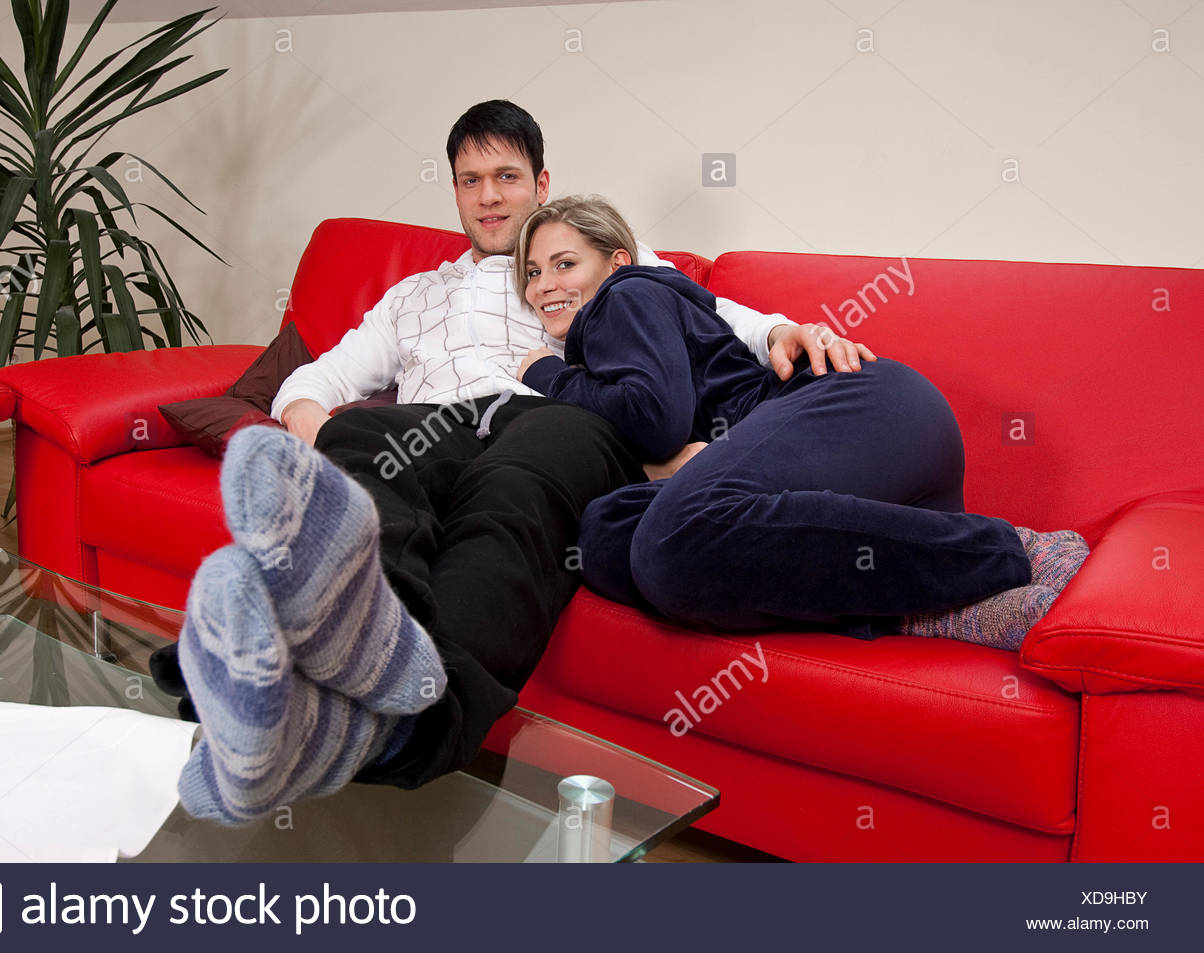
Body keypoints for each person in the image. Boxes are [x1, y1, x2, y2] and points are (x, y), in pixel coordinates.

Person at [155, 101, 879, 825]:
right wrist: (318, 439)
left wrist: (789, 327)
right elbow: (313, 382)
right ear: (455, 191)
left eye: (507, 175)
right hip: (431, 427)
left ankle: (412, 725)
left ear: (541, 180)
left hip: (557, 422)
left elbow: (714, 310)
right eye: (471, 180)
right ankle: (342, 661)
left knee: (513, 495)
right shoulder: (413, 296)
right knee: (363, 440)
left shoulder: (577, 255)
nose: (491, 196)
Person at [515, 195, 1089, 645]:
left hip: (857, 404)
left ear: (616, 261)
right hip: (861, 486)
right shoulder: (626, 335)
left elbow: (658, 418)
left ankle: (1011, 549)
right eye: (533, 274)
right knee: (606, 535)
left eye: (565, 263)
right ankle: (916, 607)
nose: (545, 286)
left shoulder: (625, 295)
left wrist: (548, 375)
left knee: (667, 543)